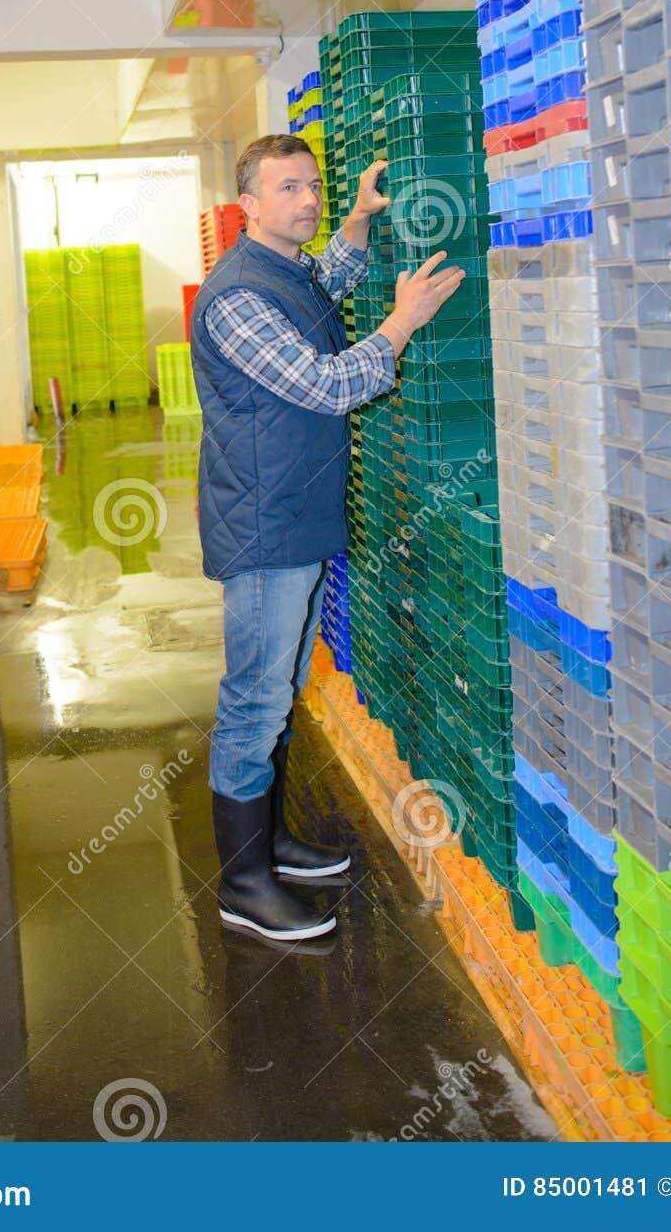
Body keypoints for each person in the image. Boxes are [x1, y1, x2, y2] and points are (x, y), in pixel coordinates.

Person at [189, 133, 467, 942]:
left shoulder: (284, 269)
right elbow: (322, 383)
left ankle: (267, 840)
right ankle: (242, 884)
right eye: (286, 189)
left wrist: (355, 224)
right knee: (252, 700)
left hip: (298, 514)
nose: (304, 201)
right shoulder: (237, 295)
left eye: (312, 186)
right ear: (248, 205)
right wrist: (401, 322)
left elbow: (323, 288)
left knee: (276, 691)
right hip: (264, 525)